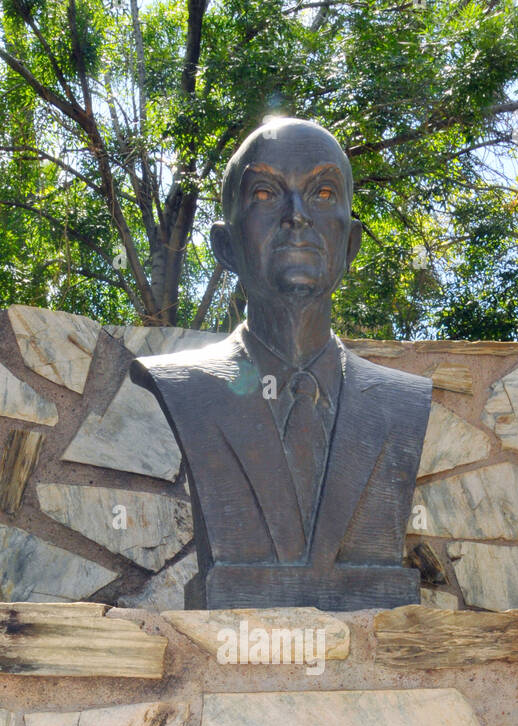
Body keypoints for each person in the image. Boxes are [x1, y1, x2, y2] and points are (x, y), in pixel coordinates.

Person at [130, 117, 432, 610]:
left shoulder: (402, 404)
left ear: (350, 244)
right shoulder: (186, 387)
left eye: (323, 192)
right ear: (226, 246)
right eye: (267, 194)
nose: (297, 216)